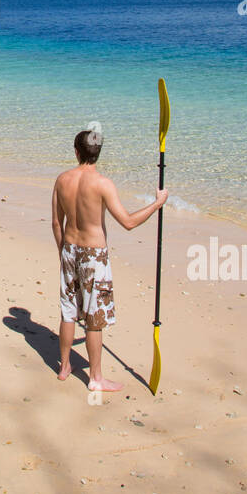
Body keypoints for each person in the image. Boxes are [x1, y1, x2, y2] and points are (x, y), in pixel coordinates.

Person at [51, 121, 167, 392]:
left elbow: (57, 223)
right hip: (94, 256)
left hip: (69, 249)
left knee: (68, 312)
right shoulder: (103, 184)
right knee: (94, 318)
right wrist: (158, 203)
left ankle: (64, 367)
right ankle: (95, 378)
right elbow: (127, 222)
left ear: (77, 152)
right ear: (97, 153)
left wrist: (62, 253)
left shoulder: (62, 180)